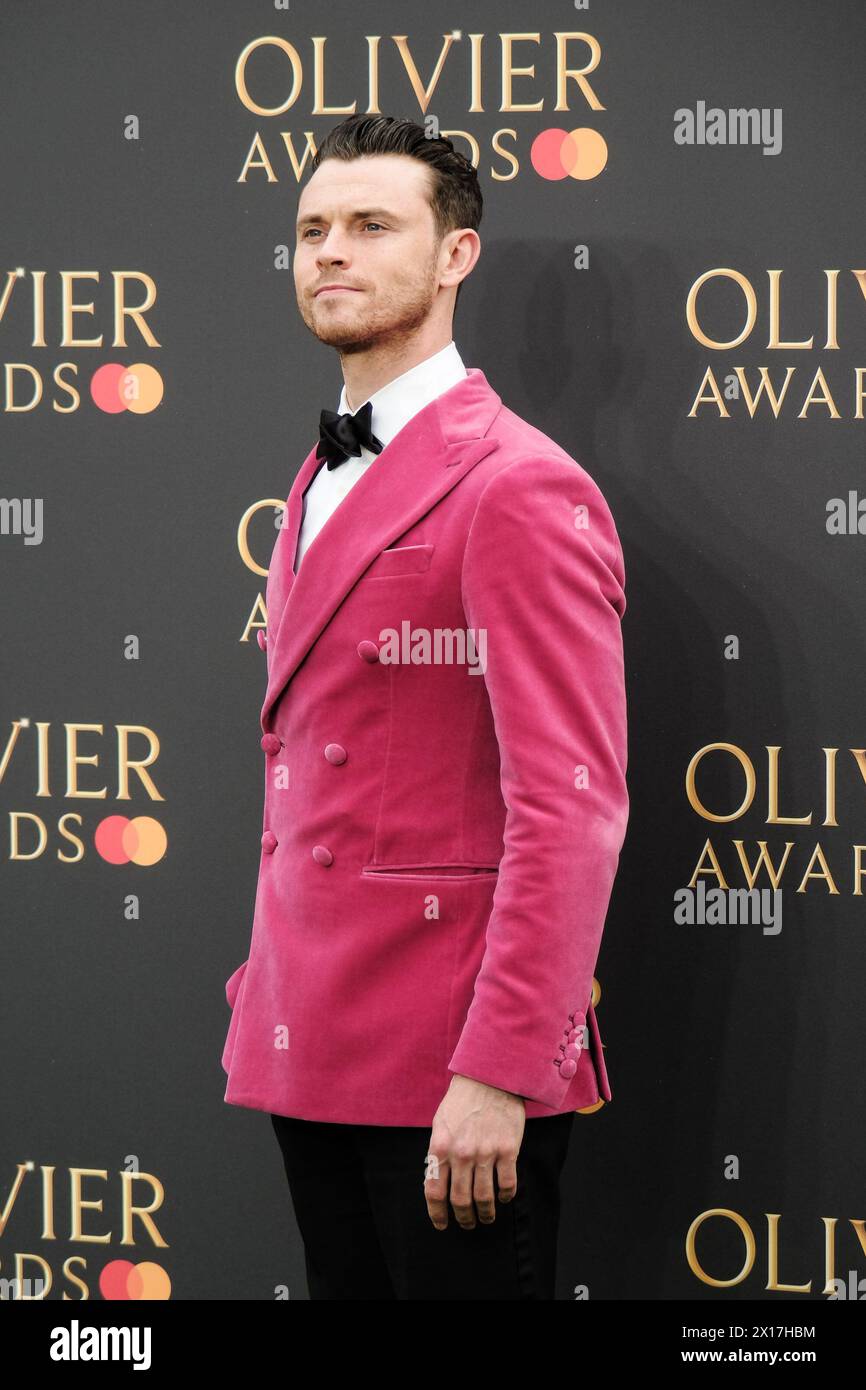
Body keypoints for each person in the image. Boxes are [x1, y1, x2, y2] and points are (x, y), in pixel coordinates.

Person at [221, 113, 629, 1300]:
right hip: (310, 1044)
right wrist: (264, 995)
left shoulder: (517, 485)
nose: (328, 252)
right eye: (310, 229)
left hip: (452, 1072)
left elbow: (571, 805)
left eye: (369, 225)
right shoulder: (316, 473)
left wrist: (501, 1069)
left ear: (456, 256)